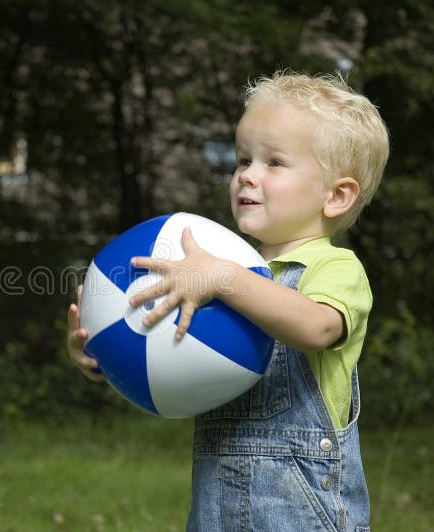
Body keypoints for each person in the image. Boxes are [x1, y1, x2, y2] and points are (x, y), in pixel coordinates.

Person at [67, 70, 389, 531]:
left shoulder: (334, 268)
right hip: (215, 513)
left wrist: (223, 277)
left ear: (336, 196)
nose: (246, 176)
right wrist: (103, 347)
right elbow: (163, 359)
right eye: (242, 160)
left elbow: (316, 327)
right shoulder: (214, 267)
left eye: (274, 163)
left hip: (303, 513)